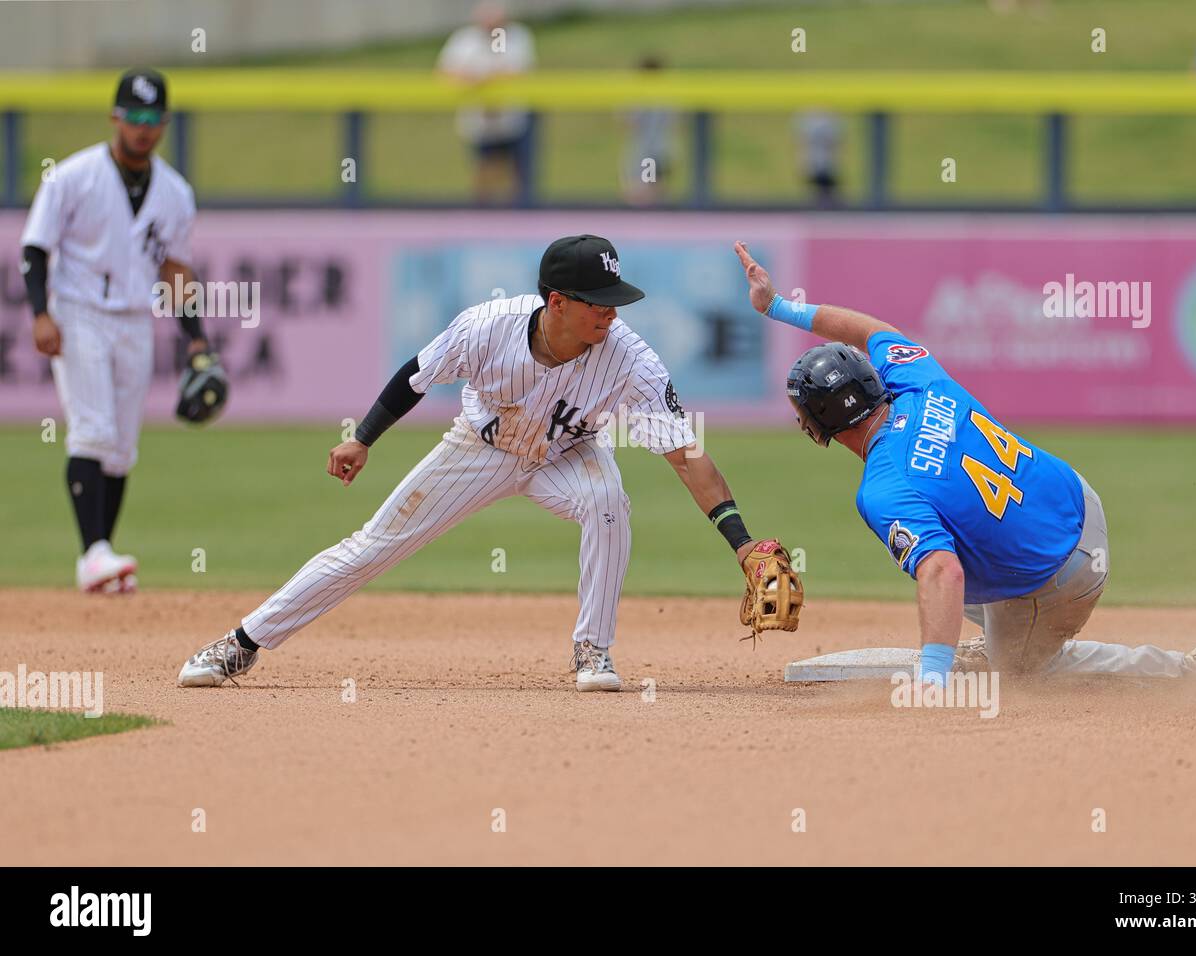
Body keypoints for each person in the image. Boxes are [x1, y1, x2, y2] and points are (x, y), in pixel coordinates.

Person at [178, 236, 781, 692]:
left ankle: (592, 651)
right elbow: (414, 376)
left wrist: (742, 544)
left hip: (566, 455)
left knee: (608, 500)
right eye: (598, 304)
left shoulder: (629, 361)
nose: (611, 315)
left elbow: (687, 455)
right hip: (480, 447)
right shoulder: (488, 327)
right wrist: (363, 438)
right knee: (371, 547)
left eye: (615, 302)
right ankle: (241, 642)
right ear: (557, 301)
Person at [731, 241, 1196, 686]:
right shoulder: (920, 379)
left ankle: (1193, 671)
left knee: (1022, 674)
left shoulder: (883, 488)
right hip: (1075, 499)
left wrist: (933, 678)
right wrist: (778, 306)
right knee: (952, 538)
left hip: (1059, 571)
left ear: (814, 426)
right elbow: (870, 330)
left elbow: (944, 573)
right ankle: (1011, 630)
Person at [20, 68, 216, 594]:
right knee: (93, 429)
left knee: (123, 445)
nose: (143, 129)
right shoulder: (72, 176)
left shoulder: (175, 192)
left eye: (153, 119)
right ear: (115, 117)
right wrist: (41, 312)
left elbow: (175, 271)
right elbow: (34, 248)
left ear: (165, 123)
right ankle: (93, 553)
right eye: (134, 117)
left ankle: (101, 559)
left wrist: (196, 340)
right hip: (80, 311)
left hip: (135, 318)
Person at [437, 2, 536, 203]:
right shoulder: (464, 39)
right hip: (479, 122)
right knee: (483, 172)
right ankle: (482, 214)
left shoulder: (518, 37)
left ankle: (519, 215)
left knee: (518, 175)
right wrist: (473, 81)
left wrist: (485, 81)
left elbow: (520, 72)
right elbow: (445, 73)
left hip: (513, 120)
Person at [621, 56, 676, 206]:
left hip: (647, 152)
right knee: (655, 189)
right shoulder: (667, 93)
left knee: (643, 192)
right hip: (662, 148)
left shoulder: (641, 95)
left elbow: (630, 121)